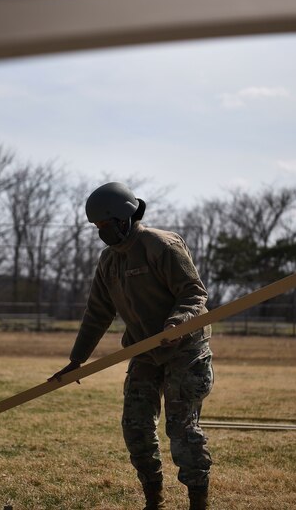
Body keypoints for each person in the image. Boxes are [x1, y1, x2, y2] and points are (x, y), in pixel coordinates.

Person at [50, 182, 214, 510]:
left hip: (185, 349)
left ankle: (199, 502)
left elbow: (194, 293)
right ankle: (154, 501)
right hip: (144, 352)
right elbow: (98, 312)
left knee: (180, 430)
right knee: (136, 428)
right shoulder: (109, 261)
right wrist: (77, 359)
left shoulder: (161, 246)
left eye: (106, 225)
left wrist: (176, 324)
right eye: (98, 228)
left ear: (124, 218)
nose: (102, 232)